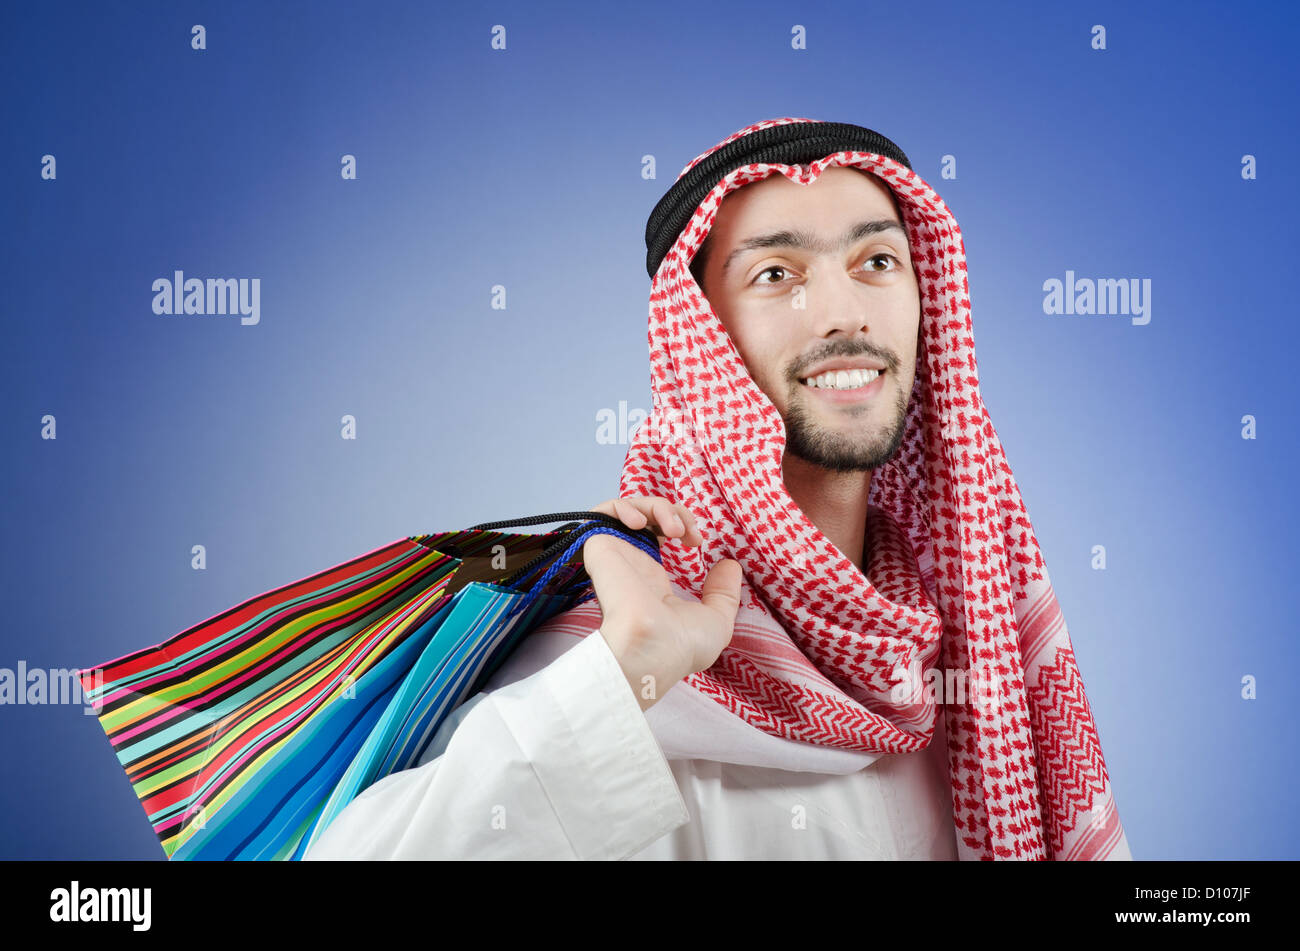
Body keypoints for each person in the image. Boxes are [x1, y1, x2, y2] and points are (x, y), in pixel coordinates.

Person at [303, 117, 1132, 861]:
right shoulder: (612, 643)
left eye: (877, 261)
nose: (843, 312)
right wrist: (626, 677)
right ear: (701, 339)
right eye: (776, 274)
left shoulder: (976, 658)